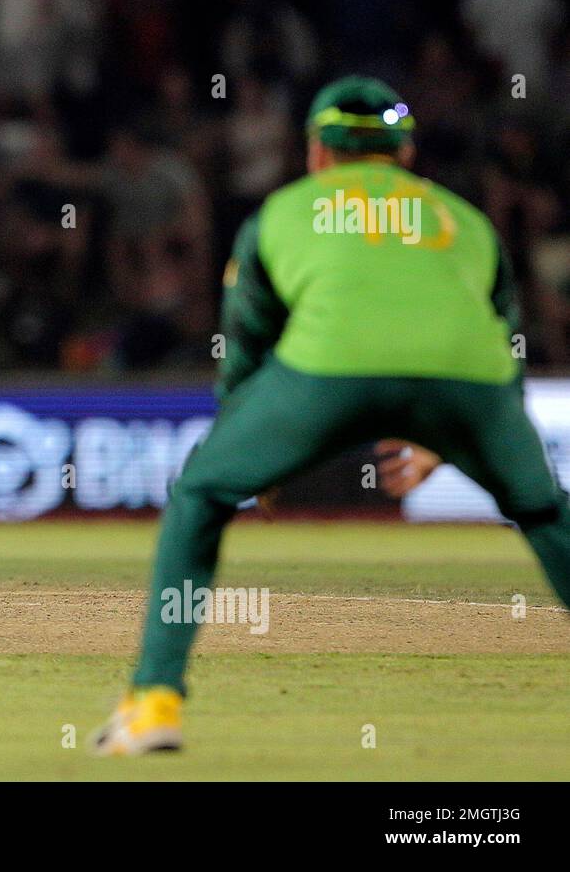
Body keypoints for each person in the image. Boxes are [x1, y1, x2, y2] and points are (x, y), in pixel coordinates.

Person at [92, 75, 570, 756]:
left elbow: (245, 347)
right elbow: (504, 333)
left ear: (317, 153)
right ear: (404, 154)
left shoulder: (283, 211)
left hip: (328, 371)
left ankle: (154, 703)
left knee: (199, 492)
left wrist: (247, 455)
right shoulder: (466, 219)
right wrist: (456, 440)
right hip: (473, 383)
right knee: (547, 511)